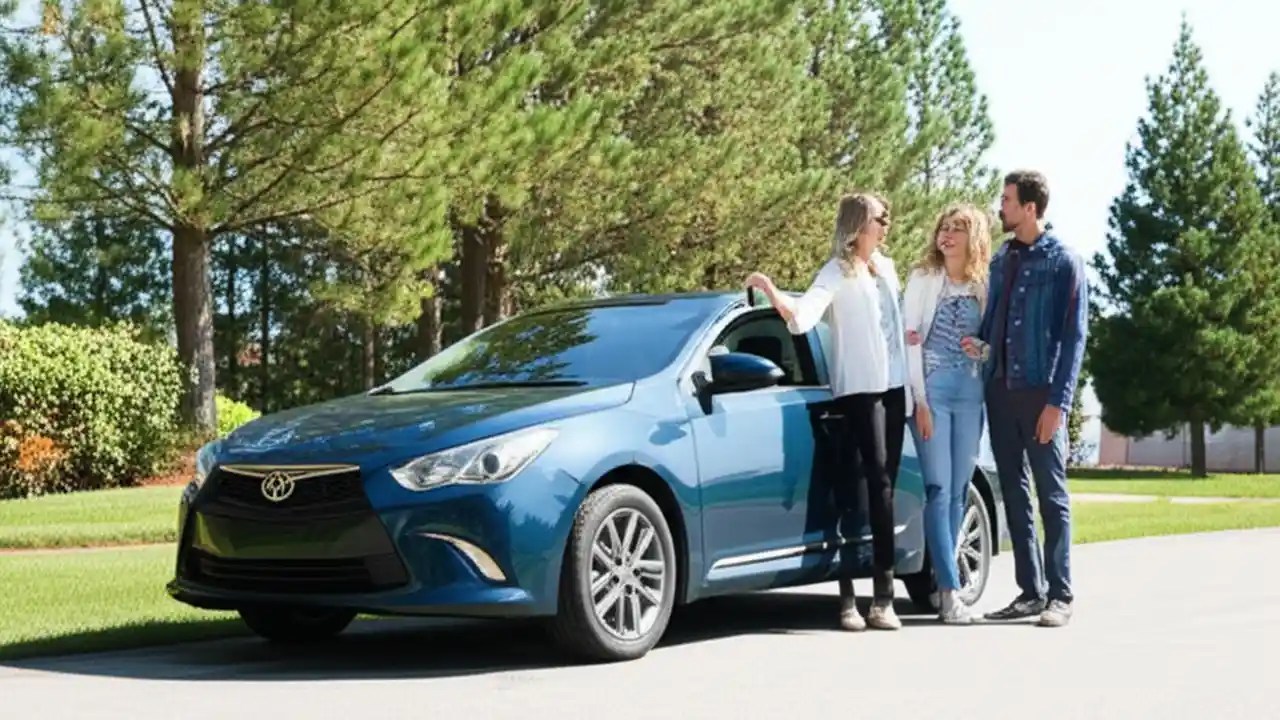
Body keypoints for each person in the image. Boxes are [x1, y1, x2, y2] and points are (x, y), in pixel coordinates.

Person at [745, 192, 909, 632]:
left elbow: (900, 327)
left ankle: (884, 596)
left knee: (885, 487)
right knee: (860, 487)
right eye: (880, 218)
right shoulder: (837, 271)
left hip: (895, 388)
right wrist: (774, 293)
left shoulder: (887, 269)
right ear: (859, 224)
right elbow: (803, 315)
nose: (886, 224)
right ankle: (848, 595)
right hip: (859, 390)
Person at [976, 170, 1088, 628]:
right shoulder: (1002, 260)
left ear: (1029, 208)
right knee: (1015, 495)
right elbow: (993, 321)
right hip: (999, 390)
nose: (999, 206)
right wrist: (978, 346)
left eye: (1006, 200)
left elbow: (1074, 335)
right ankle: (1029, 592)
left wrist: (1058, 404)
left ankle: (1060, 596)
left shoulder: (1063, 260)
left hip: (1041, 392)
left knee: (1051, 494)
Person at [901, 203, 993, 625]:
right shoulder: (923, 278)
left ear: (973, 238)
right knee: (938, 489)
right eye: (944, 227)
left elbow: (993, 343)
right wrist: (918, 402)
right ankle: (949, 592)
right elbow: (909, 341)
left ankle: (946, 581)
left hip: (970, 394)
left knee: (959, 490)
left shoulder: (984, 284)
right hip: (932, 394)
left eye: (957, 229)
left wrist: (984, 349)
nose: (947, 235)